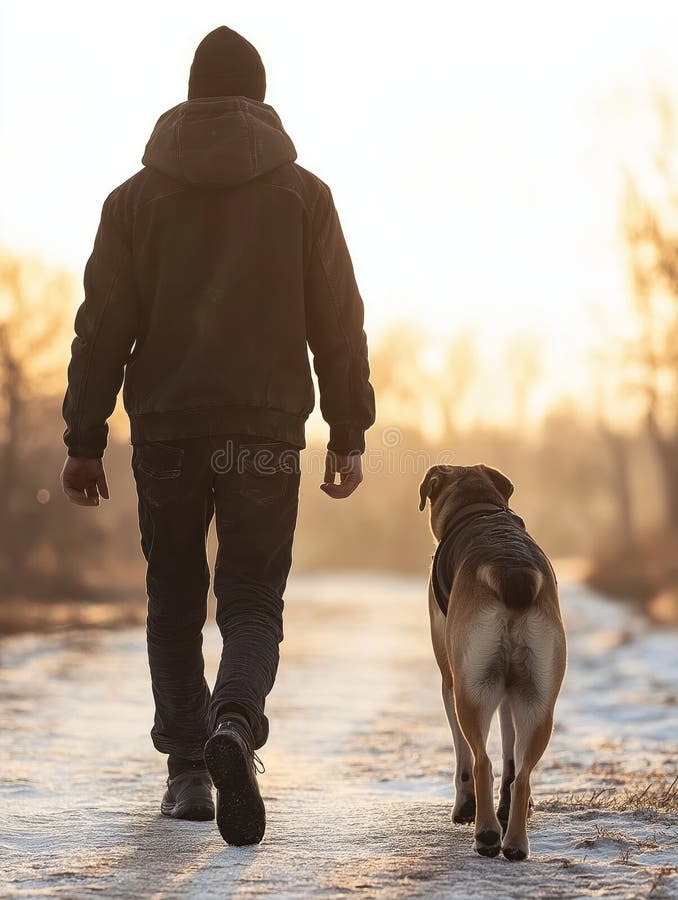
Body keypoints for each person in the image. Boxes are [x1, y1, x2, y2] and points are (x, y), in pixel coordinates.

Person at [60, 25, 375, 845]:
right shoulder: (304, 195)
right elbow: (338, 321)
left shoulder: (133, 201)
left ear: (190, 95)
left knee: (172, 597)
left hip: (165, 426)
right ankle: (234, 726)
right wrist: (348, 427)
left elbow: (102, 327)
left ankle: (189, 773)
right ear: (261, 100)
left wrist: (83, 435)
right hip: (266, 428)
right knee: (249, 599)